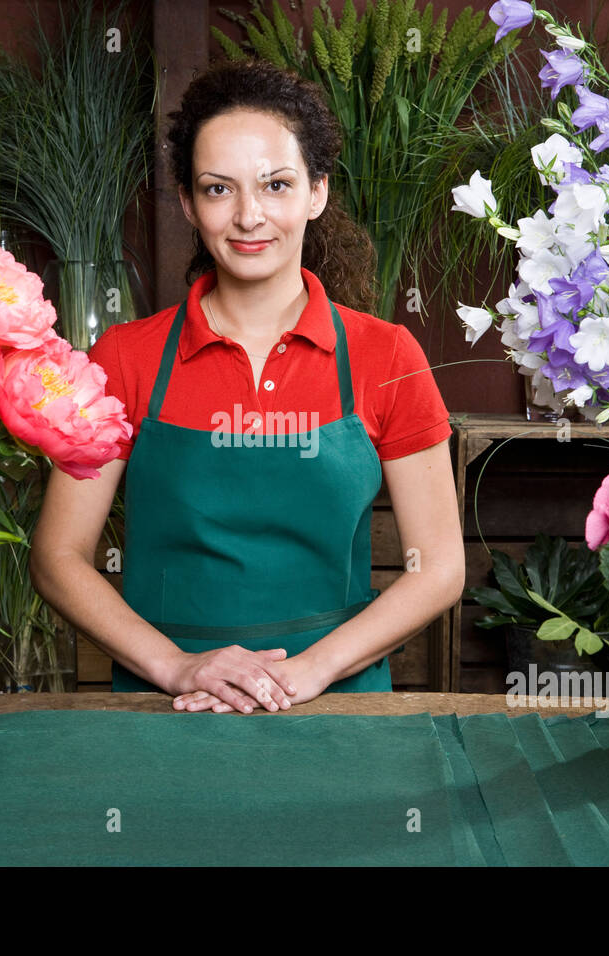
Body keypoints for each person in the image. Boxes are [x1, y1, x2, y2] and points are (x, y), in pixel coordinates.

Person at [30, 59, 464, 714]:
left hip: (338, 708)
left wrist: (309, 673)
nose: (249, 216)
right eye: (217, 189)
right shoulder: (124, 358)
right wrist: (176, 667)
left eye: (276, 185)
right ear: (187, 203)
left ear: (316, 192)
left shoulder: (386, 355)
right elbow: (58, 556)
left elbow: (438, 568)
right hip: (165, 711)